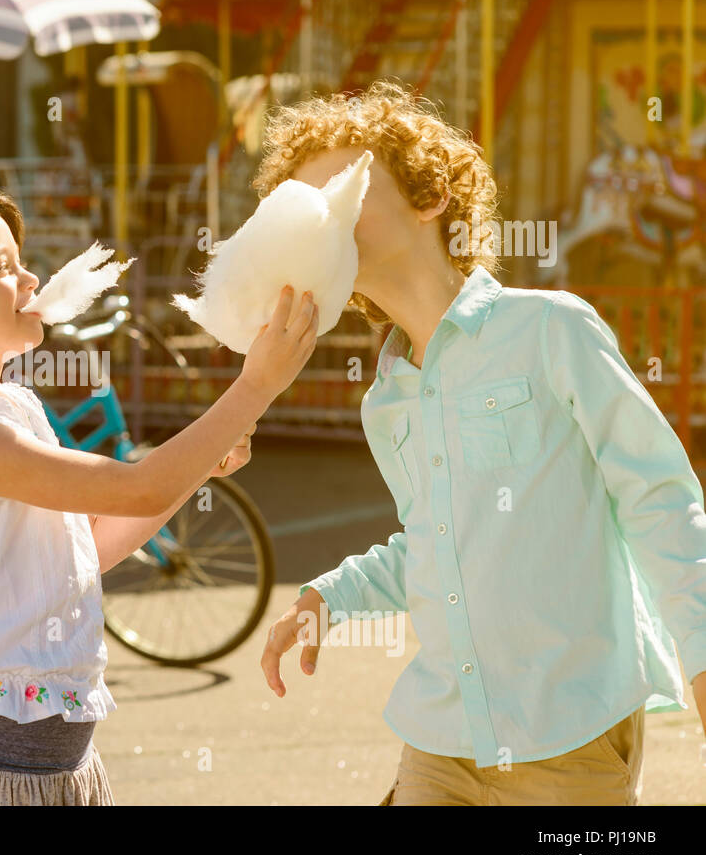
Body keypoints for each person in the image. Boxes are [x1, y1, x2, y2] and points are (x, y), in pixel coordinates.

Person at [257, 80, 706, 805]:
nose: (317, 216)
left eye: (342, 185)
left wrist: (702, 651)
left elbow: (658, 496)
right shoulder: (386, 398)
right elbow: (437, 541)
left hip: (571, 737)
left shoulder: (552, 329)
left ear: (429, 196)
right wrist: (328, 594)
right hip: (438, 740)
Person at [0, 182, 318, 805]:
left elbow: (87, 546)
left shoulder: (14, 406)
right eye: (3, 267)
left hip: (58, 764)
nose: (31, 279)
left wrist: (196, 468)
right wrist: (255, 388)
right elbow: (139, 487)